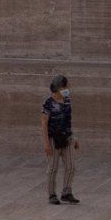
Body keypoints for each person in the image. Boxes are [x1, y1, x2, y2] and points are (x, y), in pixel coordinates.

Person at [43, 74, 78, 204]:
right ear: (58, 88)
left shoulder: (67, 100)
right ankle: (52, 194)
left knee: (71, 166)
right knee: (53, 167)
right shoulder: (48, 103)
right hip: (53, 139)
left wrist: (73, 137)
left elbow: (68, 120)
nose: (66, 89)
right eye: (64, 87)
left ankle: (67, 192)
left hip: (67, 138)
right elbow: (44, 124)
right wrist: (46, 143)